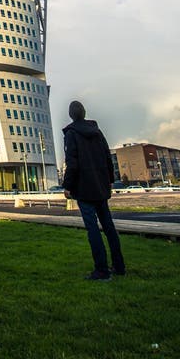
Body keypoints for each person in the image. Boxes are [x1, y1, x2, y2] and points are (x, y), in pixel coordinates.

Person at [62, 100, 126, 281]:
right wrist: (110, 181)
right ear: (84, 112)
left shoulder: (72, 134)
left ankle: (101, 270)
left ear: (71, 115)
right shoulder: (97, 132)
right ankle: (119, 266)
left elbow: (72, 162)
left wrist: (67, 186)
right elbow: (107, 157)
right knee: (109, 227)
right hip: (100, 186)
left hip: (84, 188)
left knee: (93, 229)